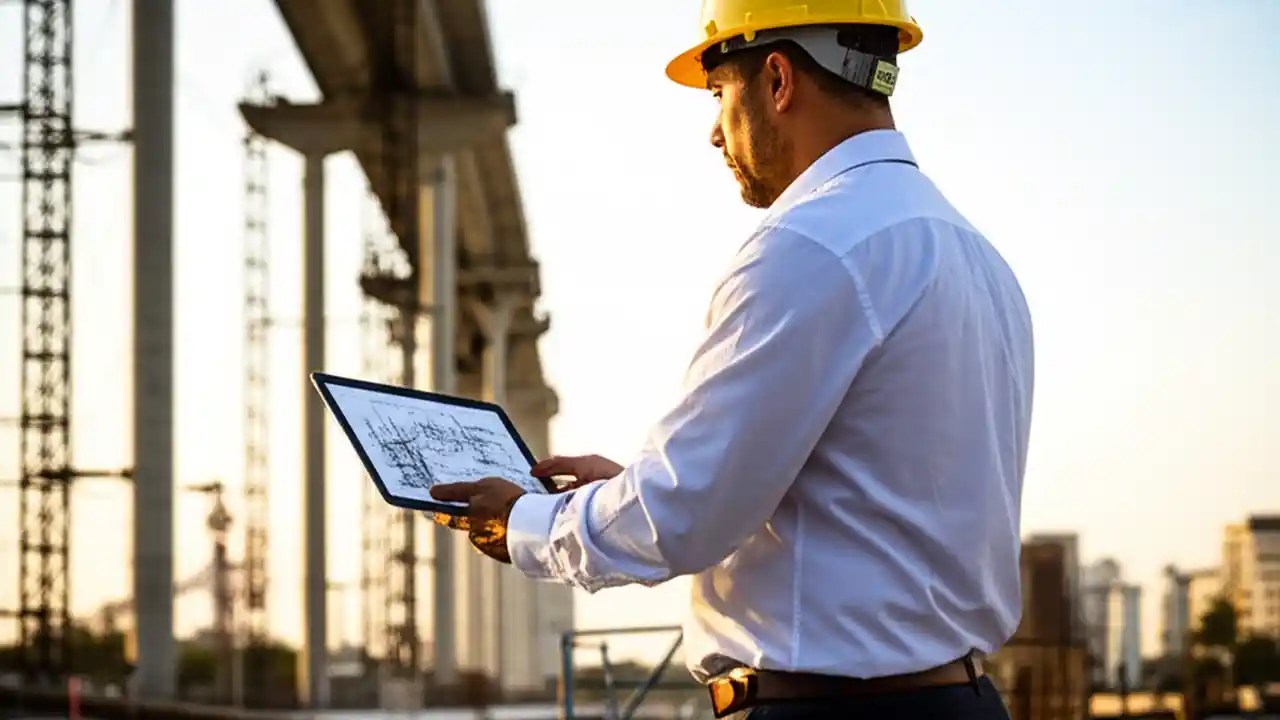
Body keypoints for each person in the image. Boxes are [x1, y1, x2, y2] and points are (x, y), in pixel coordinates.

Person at [431, 2, 1034, 717]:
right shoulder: (976, 258)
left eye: (718, 93)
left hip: (829, 709)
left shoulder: (811, 244)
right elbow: (861, 502)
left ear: (777, 79)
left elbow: (684, 510)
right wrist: (633, 489)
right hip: (960, 701)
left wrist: (529, 524)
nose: (714, 131)